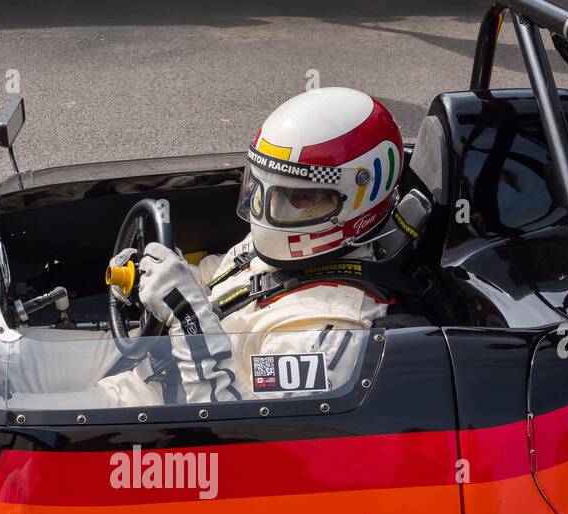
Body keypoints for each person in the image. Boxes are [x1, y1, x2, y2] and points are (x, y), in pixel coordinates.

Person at [99, 86, 409, 406]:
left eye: (299, 196)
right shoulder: (289, 244)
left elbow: (241, 429)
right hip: (148, 363)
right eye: (262, 185)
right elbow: (217, 279)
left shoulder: (325, 330)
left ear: (358, 197)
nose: (265, 209)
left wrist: (185, 315)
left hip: (162, 411)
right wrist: (157, 276)